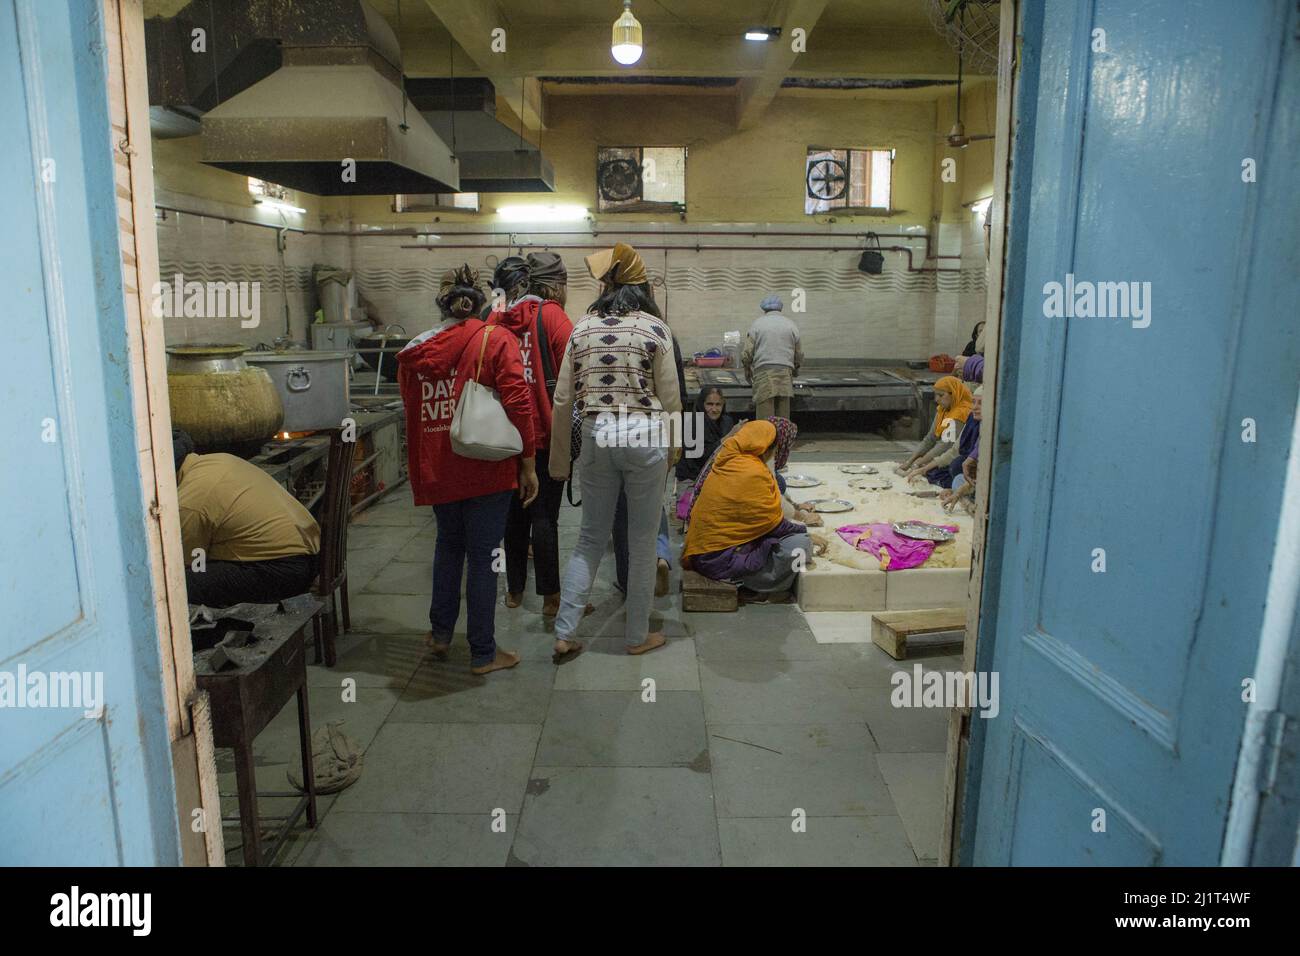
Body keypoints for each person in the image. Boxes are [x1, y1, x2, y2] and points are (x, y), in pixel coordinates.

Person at [396, 265, 538, 676]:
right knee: (483, 558)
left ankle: (440, 634)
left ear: (442, 303)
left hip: (440, 468)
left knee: (448, 546)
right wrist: (527, 461)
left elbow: (411, 412)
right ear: (478, 304)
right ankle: (482, 652)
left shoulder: (416, 350)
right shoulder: (496, 340)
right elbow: (518, 401)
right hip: (486, 467)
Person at [549, 242, 681, 658]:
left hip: (596, 432)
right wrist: (673, 452)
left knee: (590, 536)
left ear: (606, 286)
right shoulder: (656, 329)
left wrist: (558, 462)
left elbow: (561, 399)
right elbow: (672, 400)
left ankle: (565, 632)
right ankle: (636, 636)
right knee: (642, 542)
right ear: (641, 287)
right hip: (643, 435)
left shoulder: (581, 328)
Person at [486, 254, 574, 616]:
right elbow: (575, 366)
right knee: (544, 516)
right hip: (543, 434)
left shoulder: (494, 317)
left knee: (513, 517)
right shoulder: (551, 315)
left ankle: (514, 592)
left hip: (503, 436)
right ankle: (552, 598)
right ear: (552, 286)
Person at [174, 429, 321, 610]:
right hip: (311, 557)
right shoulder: (219, 459)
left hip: (282, 571)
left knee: (179, 586)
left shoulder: (191, 499)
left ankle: (219, 632)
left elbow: (186, 562)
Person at [682, 419, 811, 603]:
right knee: (800, 544)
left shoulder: (731, 457)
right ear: (766, 447)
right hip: (719, 561)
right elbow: (776, 526)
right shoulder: (752, 472)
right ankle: (760, 588)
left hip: (704, 552)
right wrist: (806, 531)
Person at [897, 375, 974, 482]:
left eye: (941, 395)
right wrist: (910, 461)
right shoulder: (943, 410)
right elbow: (930, 438)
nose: (936, 399)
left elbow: (945, 446)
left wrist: (920, 463)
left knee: (936, 473)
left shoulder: (961, 414)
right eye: (935, 395)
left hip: (957, 456)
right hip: (944, 453)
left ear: (954, 393)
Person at [742, 294, 802, 421]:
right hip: (785, 373)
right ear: (780, 308)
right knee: (783, 417)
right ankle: (783, 440)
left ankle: (766, 440)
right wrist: (796, 369)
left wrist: (747, 368)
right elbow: (798, 354)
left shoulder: (757, 324)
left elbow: (747, 352)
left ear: (764, 309)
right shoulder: (791, 325)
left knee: (765, 418)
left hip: (764, 373)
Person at [675, 386, 733, 484]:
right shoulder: (692, 423)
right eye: (709, 404)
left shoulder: (726, 421)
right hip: (692, 478)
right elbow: (701, 457)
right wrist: (728, 437)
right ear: (702, 404)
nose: (714, 409)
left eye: (718, 404)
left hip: (717, 474)